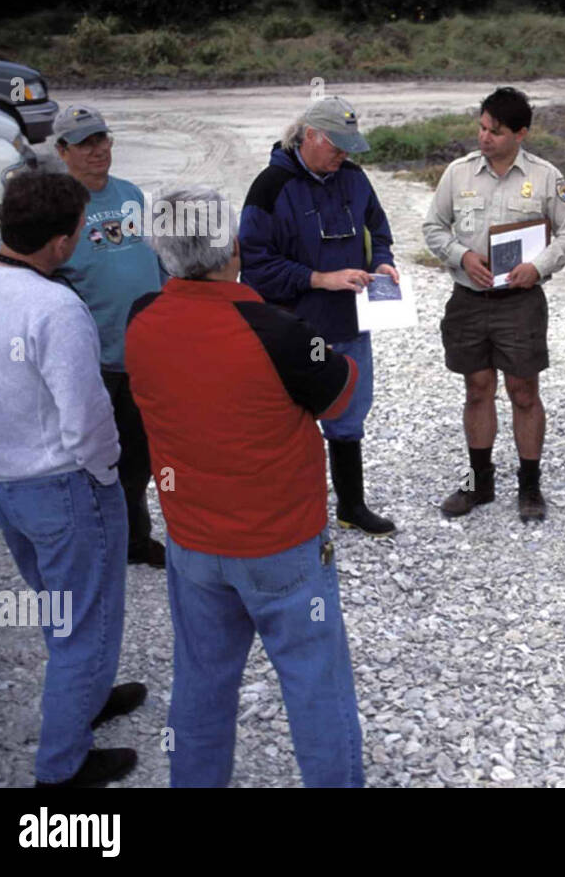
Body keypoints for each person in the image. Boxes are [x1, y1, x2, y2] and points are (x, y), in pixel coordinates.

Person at [125, 187, 364, 787]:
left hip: (193, 544)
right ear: (233, 249)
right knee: (316, 688)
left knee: (202, 684)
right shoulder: (279, 332)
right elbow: (343, 393)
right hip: (281, 545)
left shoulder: (141, 320)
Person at [0, 172, 144, 788]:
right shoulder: (56, 307)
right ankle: (61, 771)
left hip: (2, 485)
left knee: (60, 611)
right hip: (65, 487)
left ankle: (87, 701)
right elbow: (88, 416)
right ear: (65, 240)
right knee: (86, 625)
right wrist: (105, 475)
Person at [422, 87, 565, 522]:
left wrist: (539, 266)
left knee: (524, 392)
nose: (484, 137)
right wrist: (461, 255)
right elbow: (433, 226)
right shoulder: (458, 174)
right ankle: (480, 481)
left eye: (495, 130)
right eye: (481, 127)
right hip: (468, 300)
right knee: (477, 388)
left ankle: (530, 487)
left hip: (520, 302)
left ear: (521, 133)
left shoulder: (548, 177)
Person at [238, 95, 398, 536]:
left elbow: (379, 231)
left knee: (349, 416)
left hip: (350, 323)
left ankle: (351, 506)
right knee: (287, 422)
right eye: (337, 145)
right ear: (310, 136)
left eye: (350, 145)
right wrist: (318, 279)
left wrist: (382, 261)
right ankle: (287, 515)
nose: (345, 154)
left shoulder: (354, 178)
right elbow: (254, 265)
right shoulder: (270, 187)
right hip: (294, 329)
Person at [52, 104, 167, 569]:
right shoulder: (58, 205)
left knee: (140, 454)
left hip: (144, 353)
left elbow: (156, 259)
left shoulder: (130, 194)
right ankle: (95, 541)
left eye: (102, 138)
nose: (98, 149)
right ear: (62, 151)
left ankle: (136, 537)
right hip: (94, 358)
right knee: (92, 455)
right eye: (84, 143)